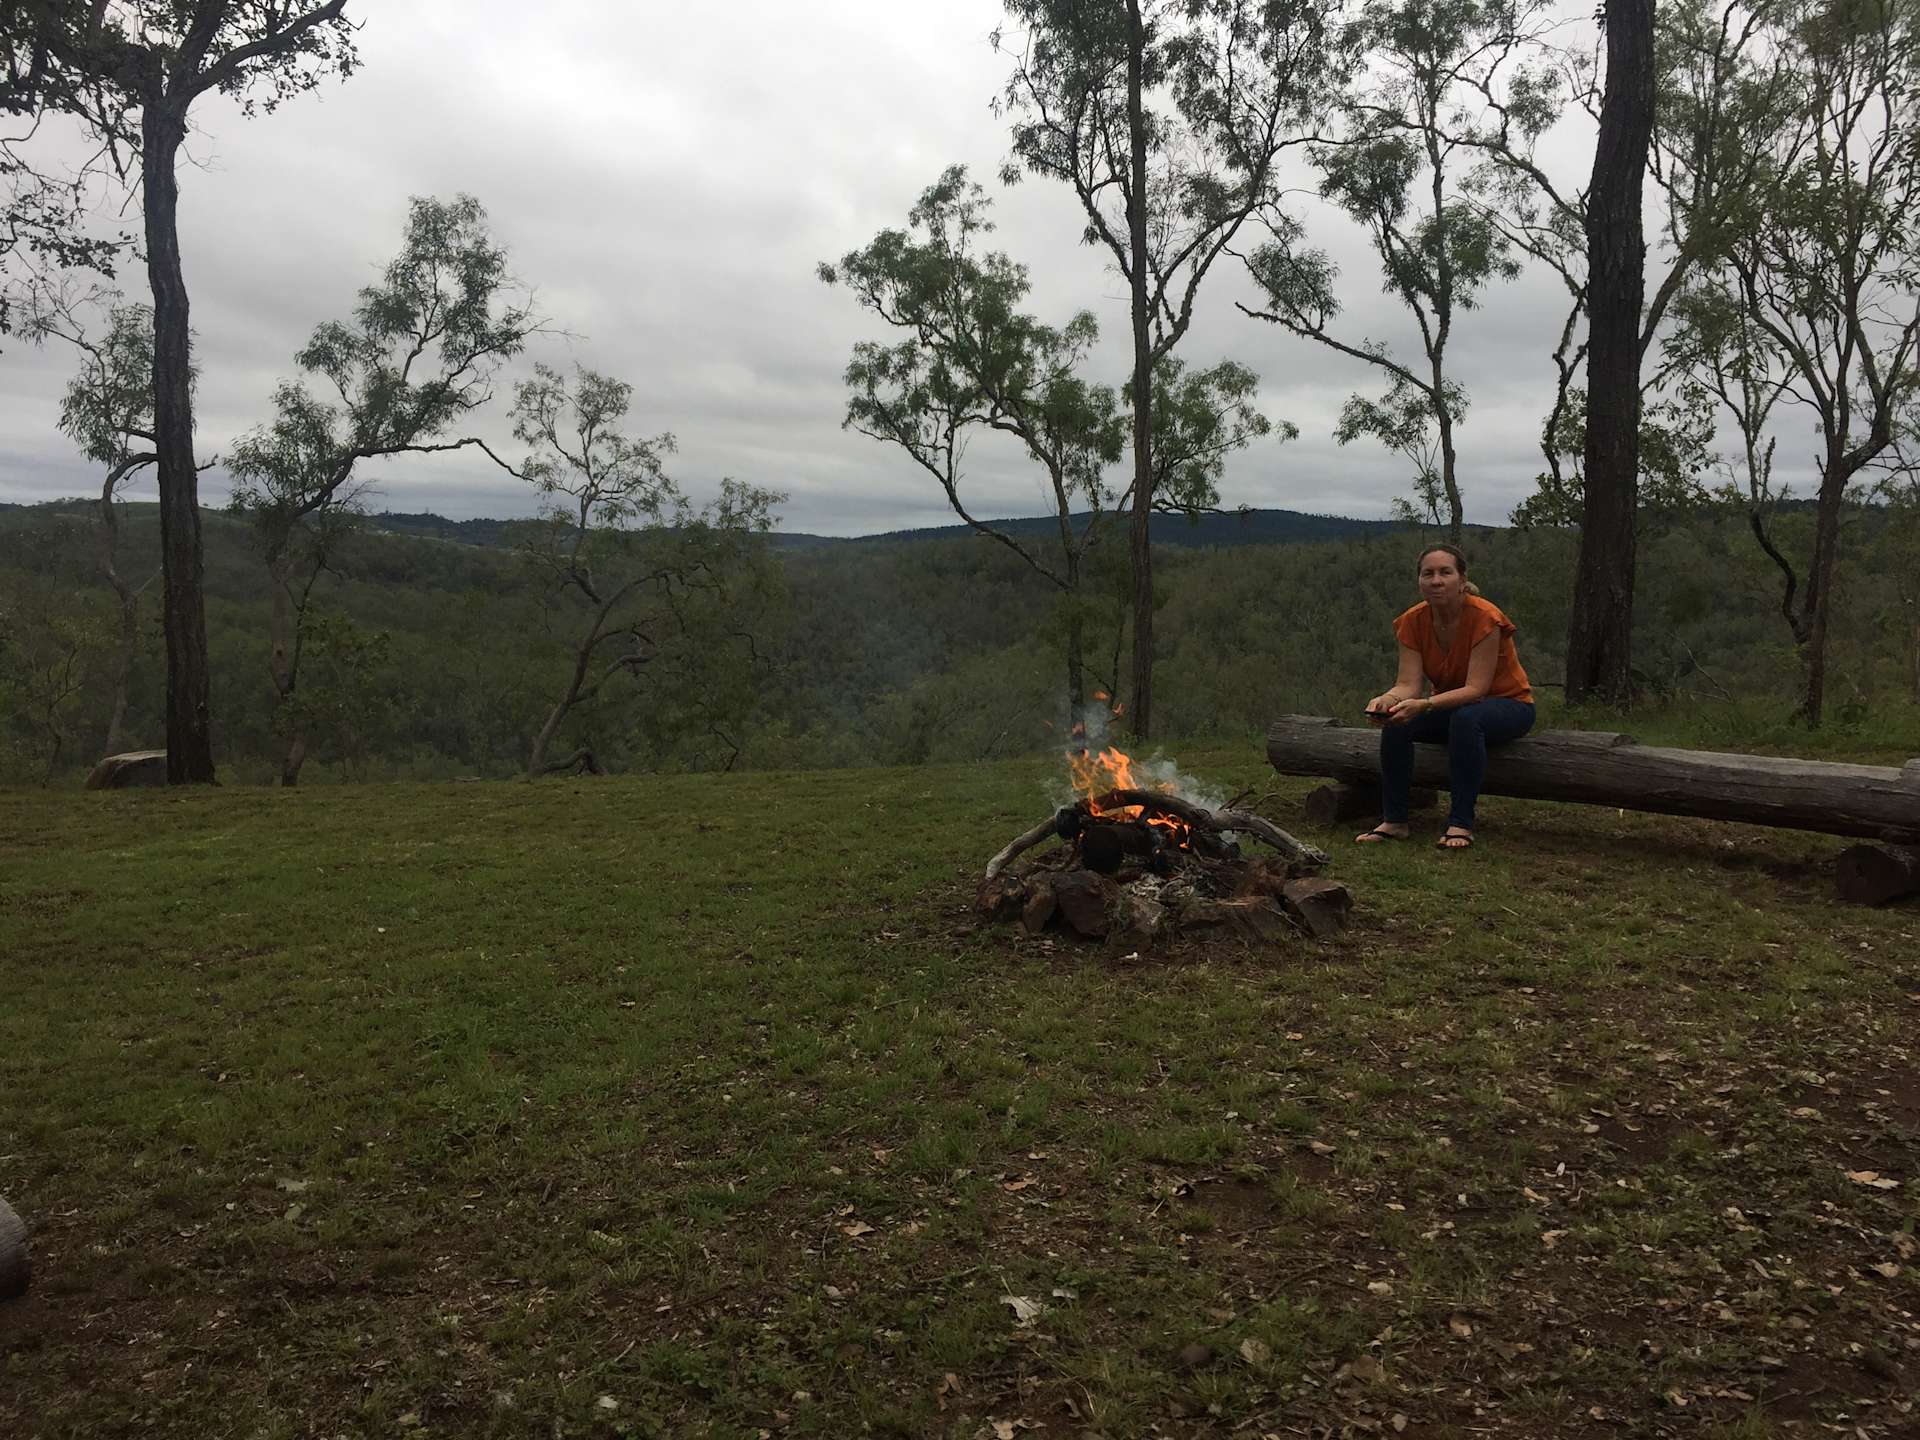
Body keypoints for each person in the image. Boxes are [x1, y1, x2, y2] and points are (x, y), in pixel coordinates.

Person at [1356, 543, 1534, 849]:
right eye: (1428, 574)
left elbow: (1476, 689)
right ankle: (1395, 820)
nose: (1436, 580)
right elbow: (1407, 685)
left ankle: (1460, 823)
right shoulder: (1412, 621)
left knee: (1466, 720)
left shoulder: (1485, 617)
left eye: (1445, 572)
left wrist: (1425, 704)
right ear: (1420, 581)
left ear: (1462, 579)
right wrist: (1387, 700)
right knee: (1397, 721)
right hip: (1452, 705)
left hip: (1509, 705)